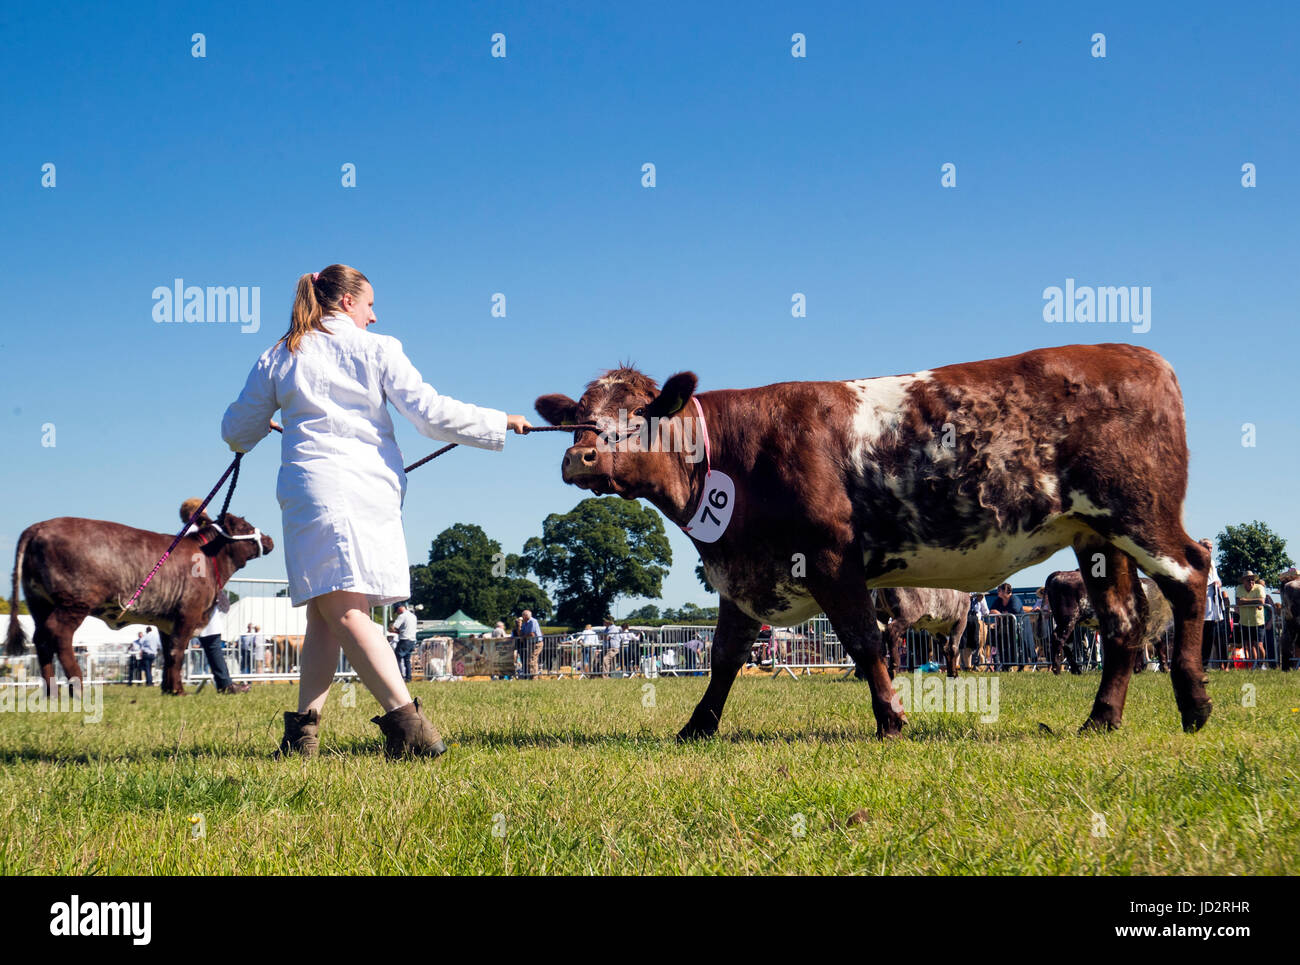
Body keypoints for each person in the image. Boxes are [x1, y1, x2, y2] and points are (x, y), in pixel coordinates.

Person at [221, 264, 530, 758]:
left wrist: (278, 416)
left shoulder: (280, 354)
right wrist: (498, 420)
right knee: (327, 613)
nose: (374, 313)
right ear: (346, 302)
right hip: (369, 492)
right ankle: (302, 735)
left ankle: (411, 730)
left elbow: (237, 431)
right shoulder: (379, 348)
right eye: (369, 304)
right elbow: (429, 415)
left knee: (339, 608)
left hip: (317, 490)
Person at [179, 501, 250, 695]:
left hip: (201, 592)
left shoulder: (189, 533)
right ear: (194, 513)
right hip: (199, 594)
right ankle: (224, 684)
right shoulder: (194, 535)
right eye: (204, 512)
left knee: (210, 638)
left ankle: (224, 682)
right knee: (210, 638)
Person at [1199, 538, 1229, 667]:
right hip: (1204, 602)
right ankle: (1204, 663)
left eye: (1211, 547)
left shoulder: (1212, 562)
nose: (1209, 550)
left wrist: (1218, 583)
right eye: (1206, 547)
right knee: (1206, 635)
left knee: (1219, 635)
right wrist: (1211, 584)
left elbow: (1217, 579)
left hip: (1214, 602)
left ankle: (1224, 663)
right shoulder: (1195, 562)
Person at [1235, 571, 1267, 669]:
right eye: (1248, 580)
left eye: (1253, 579)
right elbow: (1238, 602)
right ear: (1243, 581)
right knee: (1248, 645)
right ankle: (1251, 666)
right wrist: (1255, 601)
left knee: (1259, 645)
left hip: (1258, 622)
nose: (1251, 582)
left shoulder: (1260, 588)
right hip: (1244, 621)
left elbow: (1261, 601)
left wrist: (1245, 601)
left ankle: (1261, 665)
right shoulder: (1239, 588)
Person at [988, 583, 1025, 669]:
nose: (998, 592)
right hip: (1004, 628)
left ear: (1005, 591)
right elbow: (992, 610)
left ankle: (1020, 664)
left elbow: (1013, 611)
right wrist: (998, 614)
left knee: (1016, 646)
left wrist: (1000, 614)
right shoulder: (998, 600)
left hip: (1017, 627)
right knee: (1002, 645)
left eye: (999, 590)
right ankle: (1005, 665)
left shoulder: (1014, 599)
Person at [389, 603, 418, 683]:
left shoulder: (402, 616)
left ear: (399, 608)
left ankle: (399, 677)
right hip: (412, 640)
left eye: (397, 611)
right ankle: (408, 678)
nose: (397, 613)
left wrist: (391, 627)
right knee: (407, 660)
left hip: (404, 640)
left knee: (396, 658)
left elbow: (393, 628)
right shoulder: (413, 616)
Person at [516, 609, 543, 678]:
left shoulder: (533, 621)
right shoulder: (525, 623)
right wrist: (519, 625)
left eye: (523, 616)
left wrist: (523, 637)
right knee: (530, 660)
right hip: (531, 643)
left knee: (532, 659)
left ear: (525, 616)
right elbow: (521, 634)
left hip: (537, 643)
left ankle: (534, 677)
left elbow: (532, 634)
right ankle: (532, 676)